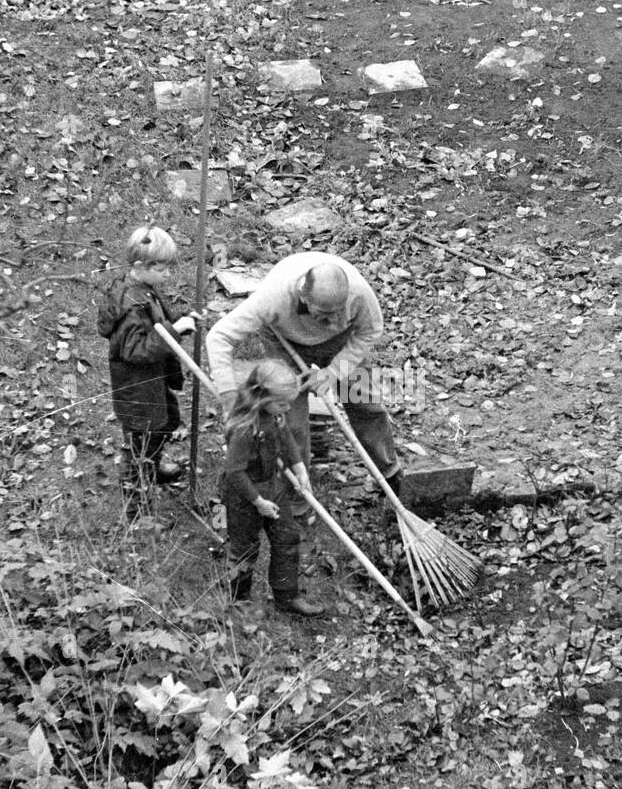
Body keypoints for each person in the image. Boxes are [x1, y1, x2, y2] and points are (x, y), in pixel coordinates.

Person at [206, 251, 402, 496]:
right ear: (303, 296)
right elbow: (218, 336)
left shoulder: (360, 293)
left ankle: (390, 475)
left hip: (341, 342)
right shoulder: (274, 296)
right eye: (323, 312)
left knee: (365, 403)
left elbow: (371, 330)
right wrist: (228, 395)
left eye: (337, 312)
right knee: (291, 422)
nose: (331, 320)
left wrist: (333, 372)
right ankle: (298, 498)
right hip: (286, 342)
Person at [96, 225, 199, 520]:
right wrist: (173, 332)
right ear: (141, 266)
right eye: (162, 268)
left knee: (167, 422)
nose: (168, 274)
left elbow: (161, 316)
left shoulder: (145, 289)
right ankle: (138, 513)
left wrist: (180, 320)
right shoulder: (130, 306)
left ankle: (152, 469)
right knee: (141, 444)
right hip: (136, 388)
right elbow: (135, 351)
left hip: (153, 382)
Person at [221, 361, 325, 617]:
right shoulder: (245, 428)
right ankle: (238, 599)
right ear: (260, 398)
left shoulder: (276, 414)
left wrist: (299, 467)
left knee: (287, 536)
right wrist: (258, 502)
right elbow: (234, 472)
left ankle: (286, 596)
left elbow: (286, 438)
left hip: (272, 485)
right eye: (282, 404)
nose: (288, 408)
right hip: (242, 496)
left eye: (289, 403)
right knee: (244, 548)